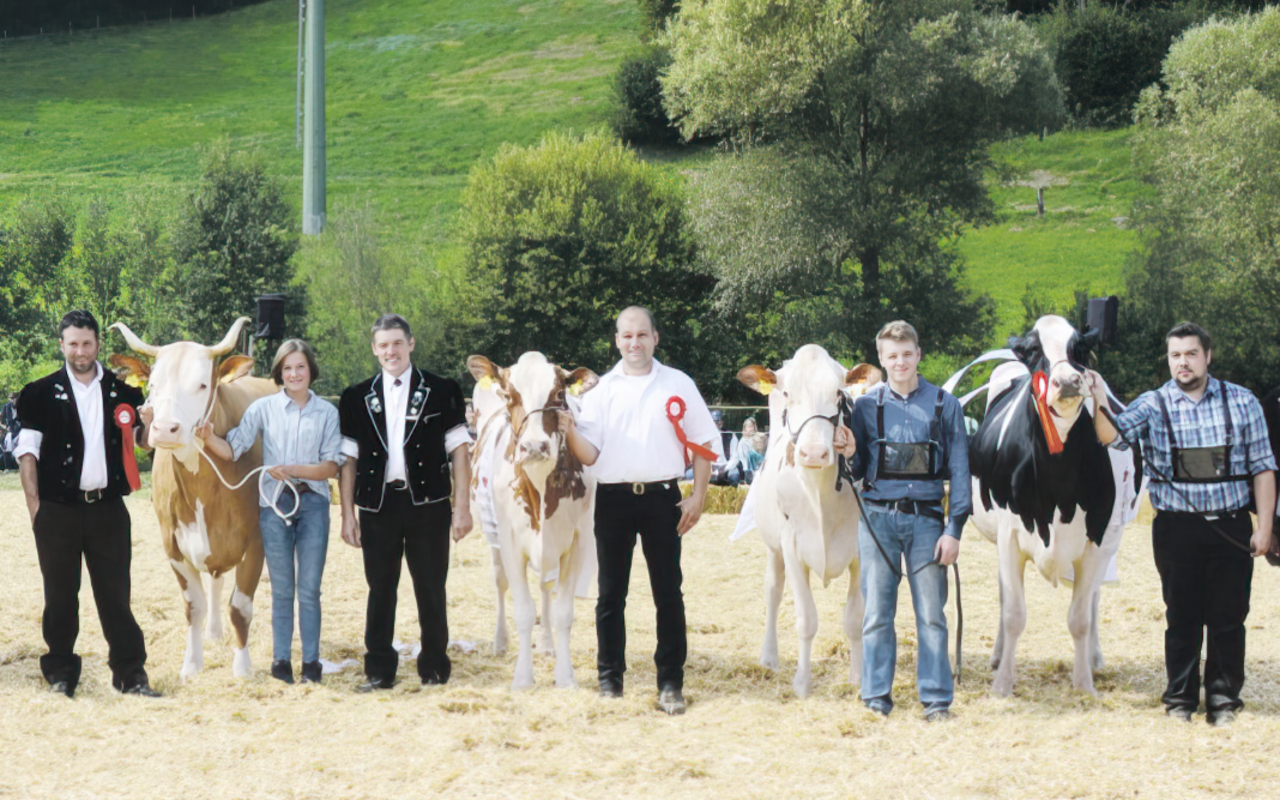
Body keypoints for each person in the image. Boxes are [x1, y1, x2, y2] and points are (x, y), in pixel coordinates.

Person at [1089, 322, 1276, 727]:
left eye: (1191, 354)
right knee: (1182, 617)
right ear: (1169, 360)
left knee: (1228, 618)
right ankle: (1180, 701)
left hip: (1230, 528)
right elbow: (1111, 437)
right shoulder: (1152, 404)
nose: (1183, 362)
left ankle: (1223, 701)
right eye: (1176, 355)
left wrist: (1263, 528)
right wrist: (1097, 397)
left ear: (1208, 356)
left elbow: (1263, 469)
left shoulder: (1243, 402)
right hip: (1176, 530)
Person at [560, 306, 720, 715]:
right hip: (612, 500)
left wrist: (698, 496)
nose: (635, 343)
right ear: (617, 340)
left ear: (655, 338)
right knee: (611, 594)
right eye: (627, 336)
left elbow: (703, 443)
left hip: (662, 498)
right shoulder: (601, 391)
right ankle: (610, 681)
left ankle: (670, 684)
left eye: (642, 335)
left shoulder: (678, 383)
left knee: (668, 593)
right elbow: (590, 455)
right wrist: (569, 431)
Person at [14, 310, 159, 699]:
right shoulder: (38, 393)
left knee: (116, 596)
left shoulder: (122, 392)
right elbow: (27, 455)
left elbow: (143, 443)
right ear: (61, 345)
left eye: (87, 343)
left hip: (108, 510)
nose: (80, 351)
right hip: (57, 510)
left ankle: (131, 675)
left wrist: (149, 422)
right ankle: (61, 673)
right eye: (73, 343)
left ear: (98, 344)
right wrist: (36, 511)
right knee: (60, 596)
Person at [837, 320, 970, 721]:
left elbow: (960, 472)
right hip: (877, 520)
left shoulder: (946, 405)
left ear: (919, 355)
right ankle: (876, 698)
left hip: (927, 521)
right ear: (881, 359)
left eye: (907, 354)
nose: (900, 362)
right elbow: (859, 469)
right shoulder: (865, 407)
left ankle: (937, 701)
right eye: (892, 356)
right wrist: (851, 452)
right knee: (877, 614)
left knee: (931, 614)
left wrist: (954, 530)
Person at [195, 339, 343, 685]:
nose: (294, 374)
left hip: (313, 504)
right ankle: (281, 663)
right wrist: (207, 438)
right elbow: (233, 449)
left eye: (301, 367)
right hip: (275, 505)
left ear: (311, 370)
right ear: (280, 372)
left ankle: (311, 664)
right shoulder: (263, 408)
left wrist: (291, 469)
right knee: (281, 589)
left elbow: (330, 467)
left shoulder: (327, 413)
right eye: (288, 368)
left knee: (309, 589)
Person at [337, 314, 473, 691]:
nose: (391, 351)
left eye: (397, 342)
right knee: (380, 589)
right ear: (374, 349)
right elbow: (348, 461)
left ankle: (434, 668)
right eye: (383, 345)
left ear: (411, 344)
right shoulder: (355, 397)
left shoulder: (442, 389)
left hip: (429, 505)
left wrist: (462, 508)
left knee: (431, 587)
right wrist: (347, 514)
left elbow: (460, 452)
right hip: (377, 506)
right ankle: (380, 671)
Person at [723, 417, 765, 485]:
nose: (752, 429)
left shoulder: (760, 439)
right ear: (745, 428)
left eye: (753, 426)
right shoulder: (742, 442)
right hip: (749, 472)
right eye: (750, 426)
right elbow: (742, 459)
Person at [1, 391, 19, 471]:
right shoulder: (7, 407)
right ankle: (8, 467)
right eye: (12, 398)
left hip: (21, 430)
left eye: (15, 398)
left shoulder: (23, 406)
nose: (13, 400)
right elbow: (1, 419)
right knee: (8, 446)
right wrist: (5, 428)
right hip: (11, 430)